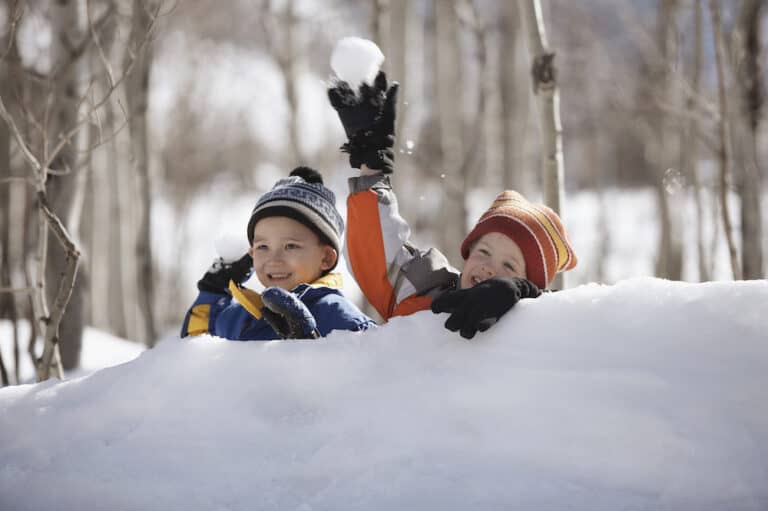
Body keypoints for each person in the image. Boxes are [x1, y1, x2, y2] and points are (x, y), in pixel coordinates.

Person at [328, 72, 577, 339]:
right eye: (483, 251)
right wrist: (371, 170)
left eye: (509, 266)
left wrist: (524, 295)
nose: (489, 267)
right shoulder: (427, 291)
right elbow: (377, 257)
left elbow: (579, 325)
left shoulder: (531, 326)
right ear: (467, 254)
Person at [181, 166, 377, 340]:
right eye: (263, 247)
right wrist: (213, 292)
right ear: (251, 254)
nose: (274, 260)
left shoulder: (337, 315)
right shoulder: (243, 315)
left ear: (326, 258)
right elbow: (191, 354)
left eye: (290, 246)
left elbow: (373, 369)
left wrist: (312, 345)